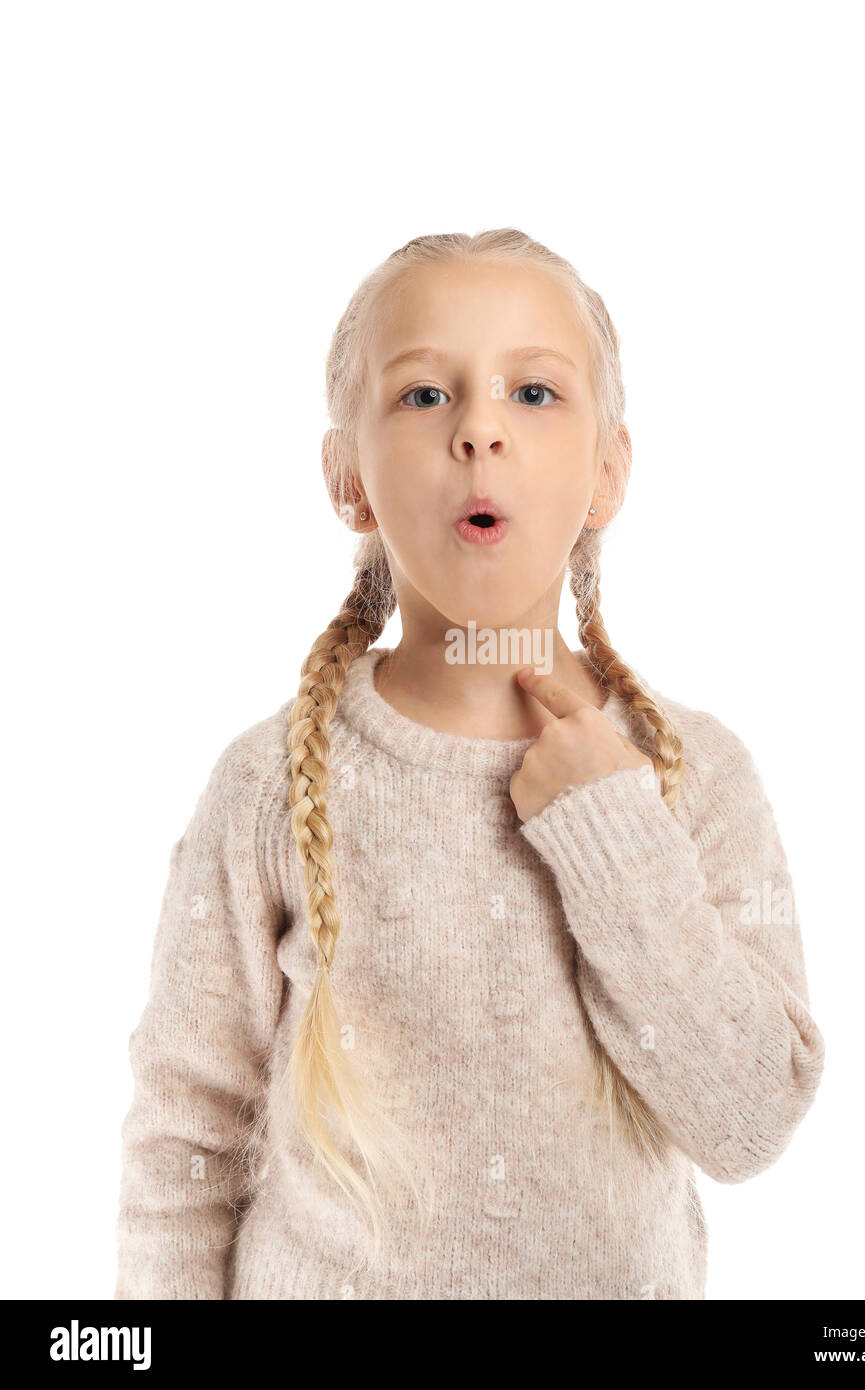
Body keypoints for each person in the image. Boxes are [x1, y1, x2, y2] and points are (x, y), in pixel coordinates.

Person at [115, 227, 825, 1300]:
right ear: (347, 478)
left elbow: (748, 1118)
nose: (480, 431)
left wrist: (609, 830)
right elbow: (185, 1139)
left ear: (608, 470)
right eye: (424, 396)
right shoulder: (266, 787)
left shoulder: (694, 776)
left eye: (534, 394)